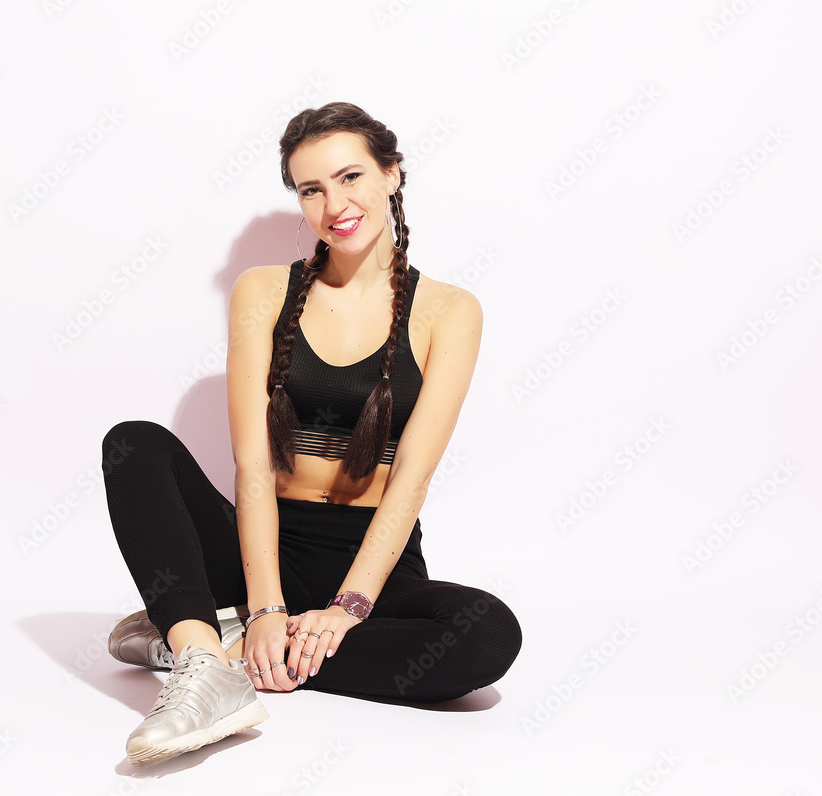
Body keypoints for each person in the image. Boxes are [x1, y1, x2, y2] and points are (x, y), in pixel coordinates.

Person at [100, 101, 523, 765]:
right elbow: (254, 468)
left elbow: (411, 478)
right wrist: (268, 607)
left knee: (488, 637)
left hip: (373, 568)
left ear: (392, 174)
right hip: (261, 554)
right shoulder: (263, 292)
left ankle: (212, 647)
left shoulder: (449, 311)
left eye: (351, 177)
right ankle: (208, 664)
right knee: (134, 443)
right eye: (311, 188)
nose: (335, 203)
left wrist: (348, 610)